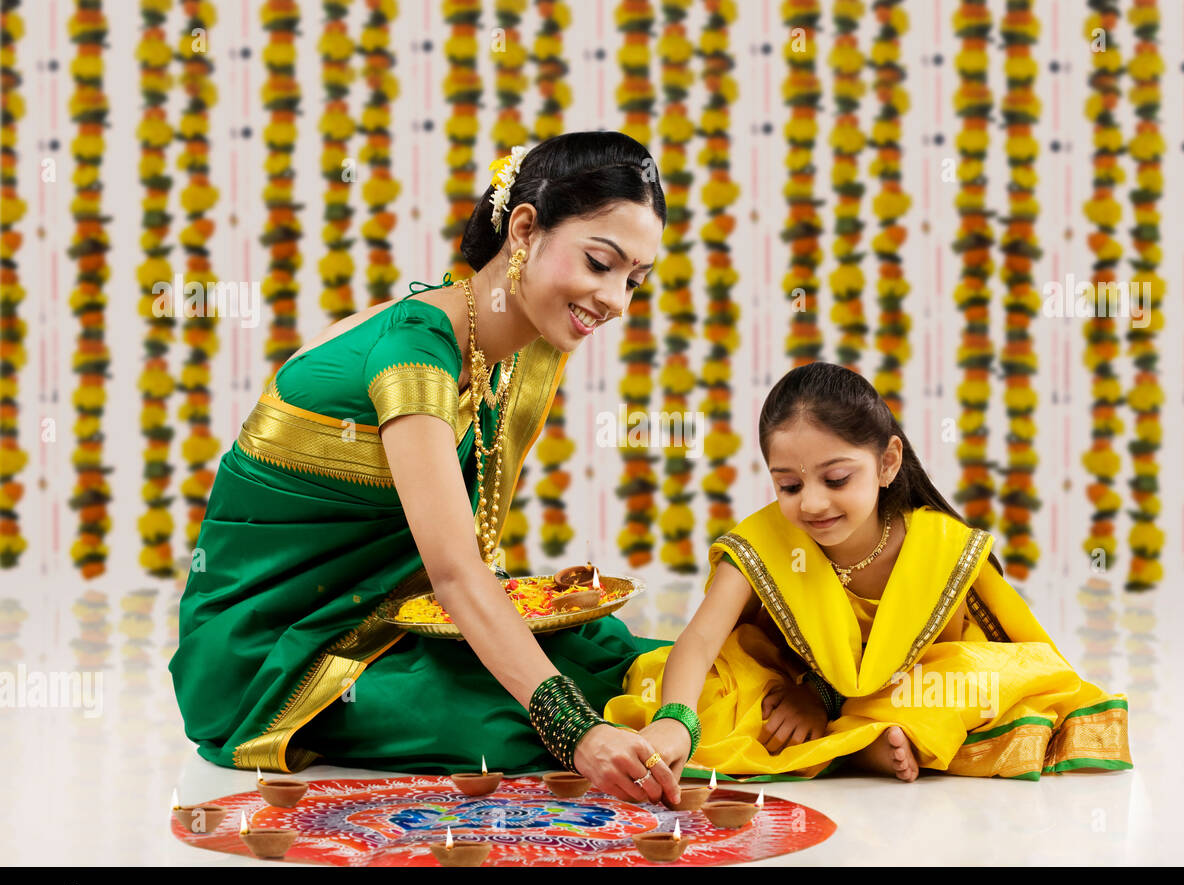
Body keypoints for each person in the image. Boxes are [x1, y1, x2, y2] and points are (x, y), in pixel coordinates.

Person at [170, 130, 684, 805]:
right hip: (274, 651)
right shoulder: (416, 352)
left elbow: (463, 565)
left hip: (394, 616)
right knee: (515, 726)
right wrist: (576, 734)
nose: (616, 299)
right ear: (524, 228)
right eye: (599, 263)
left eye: (634, 281)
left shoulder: (516, 347)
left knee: (619, 657)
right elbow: (453, 569)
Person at [607, 362, 1133, 783]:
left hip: (911, 688)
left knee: (970, 685)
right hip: (788, 680)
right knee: (688, 692)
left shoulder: (938, 544)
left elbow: (1028, 655)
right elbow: (698, 641)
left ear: (887, 463)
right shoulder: (764, 542)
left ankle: (856, 737)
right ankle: (861, 741)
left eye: (836, 478)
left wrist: (826, 701)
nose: (812, 503)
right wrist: (675, 721)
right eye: (789, 486)